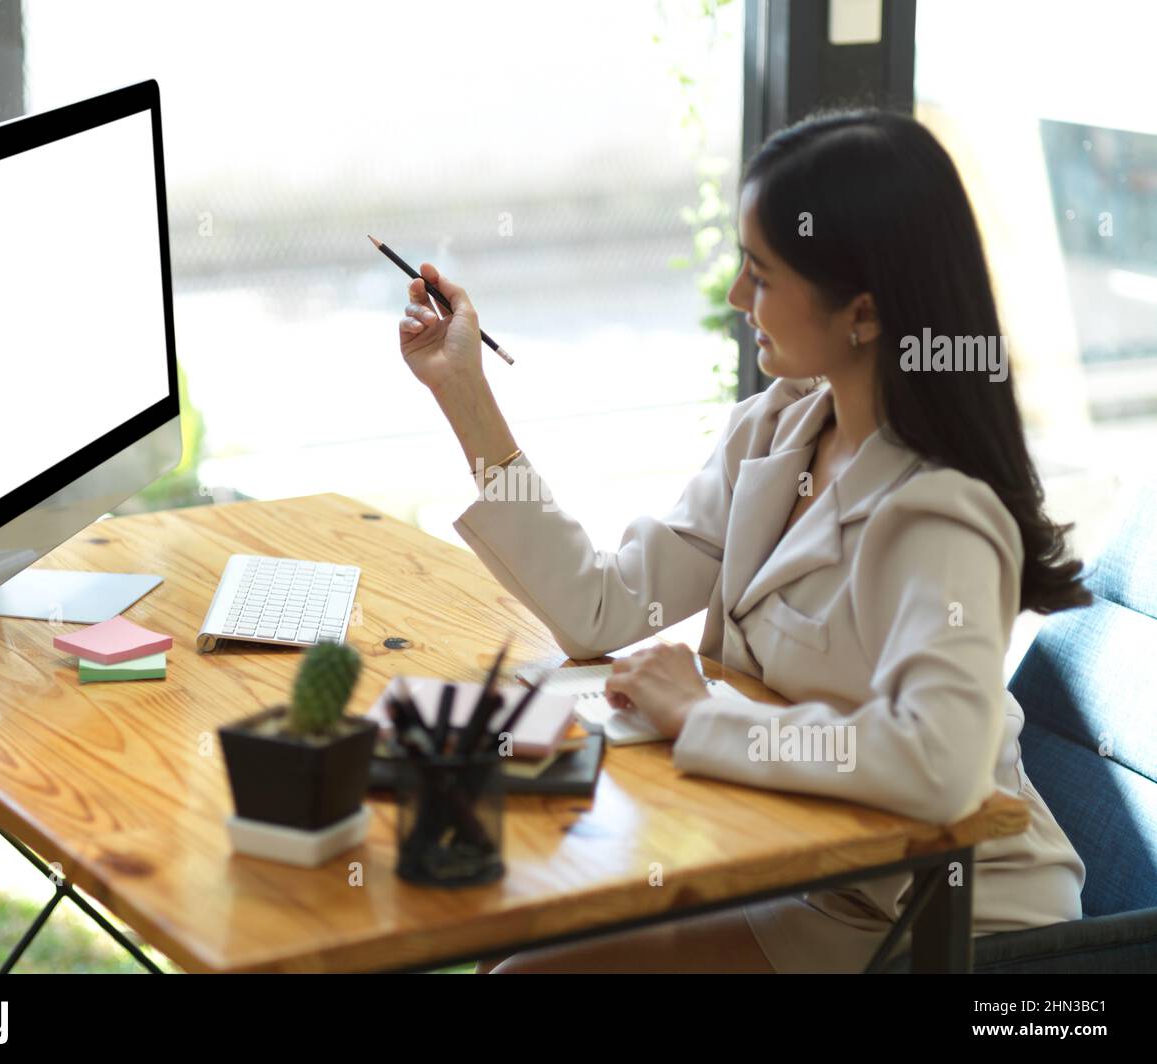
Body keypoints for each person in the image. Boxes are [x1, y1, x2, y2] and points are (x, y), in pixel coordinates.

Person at [395, 109, 1089, 974]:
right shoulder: (778, 431)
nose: (735, 298)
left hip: (955, 927)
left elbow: (939, 768)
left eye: (760, 275)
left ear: (862, 312)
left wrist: (703, 712)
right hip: (820, 875)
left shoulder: (943, 513)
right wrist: (466, 394)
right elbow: (603, 607)